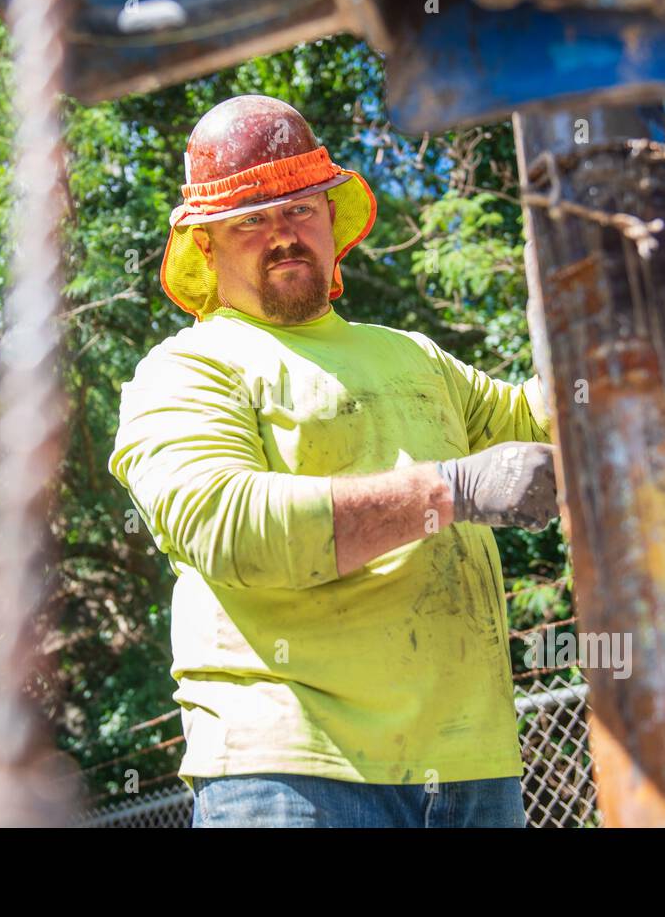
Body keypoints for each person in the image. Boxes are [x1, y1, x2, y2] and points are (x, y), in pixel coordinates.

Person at [107, 94, 559, 827]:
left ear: (330, 221)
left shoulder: (414, 356)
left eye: (299, 210)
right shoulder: (187, 367)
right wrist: (452, 489)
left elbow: (549, 426)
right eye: (250, 219)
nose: (282, 234)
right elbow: (225, 523)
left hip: (475, 768)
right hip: (291, 770)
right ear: (205, 246)